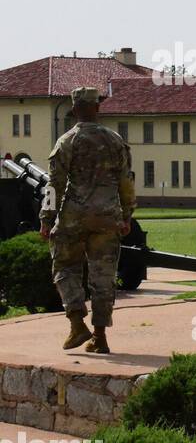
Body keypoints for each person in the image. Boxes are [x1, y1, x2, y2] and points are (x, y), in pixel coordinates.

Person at [39, 87, 134, 354]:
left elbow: (54, 185)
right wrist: (127, 215)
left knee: (65, 268)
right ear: (97, 108)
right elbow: (126, 181)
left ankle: (77, 322)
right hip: (107, 216)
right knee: (103, 277)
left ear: (74, 108)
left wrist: (47, 218)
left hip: (74, 216)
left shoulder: (66, 141)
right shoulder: (116, 141)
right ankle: (100, 337)